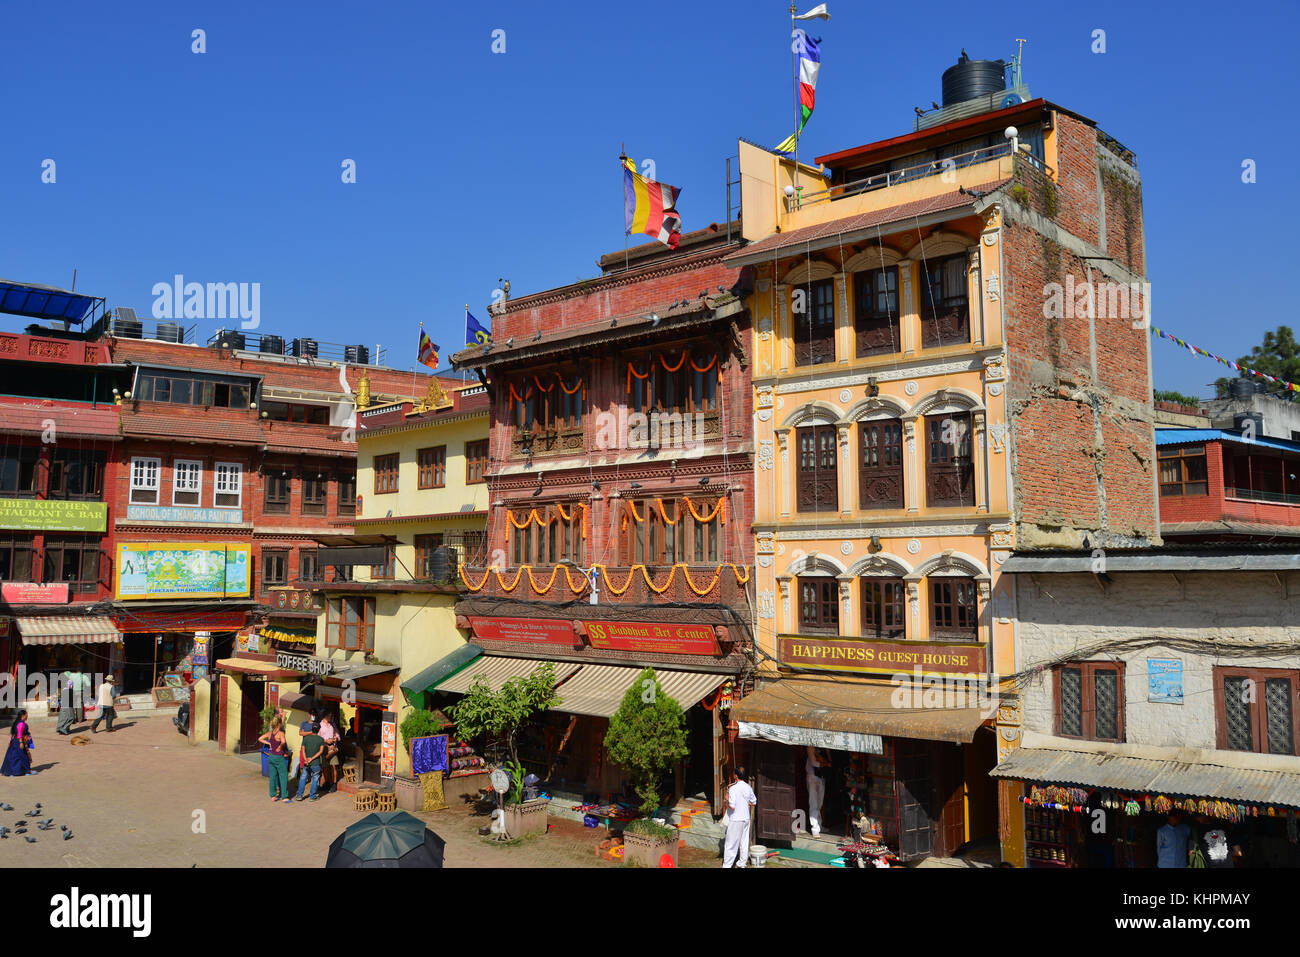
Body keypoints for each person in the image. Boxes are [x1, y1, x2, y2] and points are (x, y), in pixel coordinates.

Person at [722, 766, 757, 868]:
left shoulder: (733, 789)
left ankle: (727, 865)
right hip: (746, 818)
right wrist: (744, 803)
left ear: (736, 776)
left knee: (730, 844)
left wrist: (726, 798)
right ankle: (742, 863)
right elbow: (753, 802)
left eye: (734, 774)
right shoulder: (748, 787)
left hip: (736, 819)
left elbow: (732, 806)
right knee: (744, 842)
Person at [258, 714, 291, 802]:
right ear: (279, 724)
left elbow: (260, 738)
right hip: (279, 757)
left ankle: (273, 795)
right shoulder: (280, 733)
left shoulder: (270, 733)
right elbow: (283, 741)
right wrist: (280, 747)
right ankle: (284, 797)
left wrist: (269, 744)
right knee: (283, 776)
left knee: (272, 776)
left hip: (271, 756)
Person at [294, 721, 325, 802]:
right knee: (315, 779)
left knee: (303, 778)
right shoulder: (321, 739)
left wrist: (306, 760)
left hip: (306, 763)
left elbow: (303, 750)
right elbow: (321, 751)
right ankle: (312, 796)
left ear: (312, 729)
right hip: (316, 763)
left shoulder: (306, 738)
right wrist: (312, 758)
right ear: (319, 730)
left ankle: (299, 796)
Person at [805, 745, 830, 837]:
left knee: (820, 803)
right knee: (814, 803)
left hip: (822, 777)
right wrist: (825, 763)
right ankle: (815, 828)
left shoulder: (824, 748)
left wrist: (826, 755)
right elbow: (814, 763)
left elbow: (830, 761)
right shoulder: (810, 747)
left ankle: (819, 825)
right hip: (812, 777)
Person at [1, 710, 36, 776]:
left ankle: (12, 772)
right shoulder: (21, 723)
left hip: (14, 741)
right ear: (23, 716)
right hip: (18, 742)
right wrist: (21, 742)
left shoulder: (17, 722)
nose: (27, 716)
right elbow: (19, 734)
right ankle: (28, 771)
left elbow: (12, 733)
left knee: (14, 756)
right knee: (23, 756)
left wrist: (10, 741)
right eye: (26, 714)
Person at [317, 711, 341, 793]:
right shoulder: (320, 725)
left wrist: (335, 739)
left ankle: (334, 784)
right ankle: (327, 783)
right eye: (329, 715)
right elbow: (317, 737)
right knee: (325, 767)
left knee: (334, 766)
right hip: (324, 749)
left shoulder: (333, 725)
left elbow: (338, 735)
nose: (331, 717)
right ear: (325, 716)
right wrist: (325, 740)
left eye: (331, 715)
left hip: (332, 749)